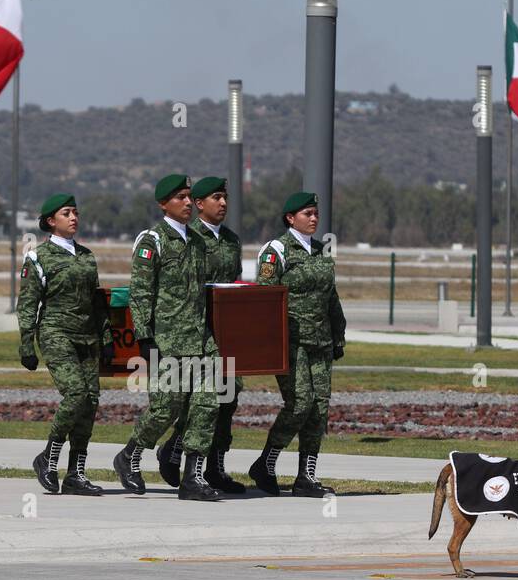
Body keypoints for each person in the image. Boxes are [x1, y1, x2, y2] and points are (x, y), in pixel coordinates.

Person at [112, 174, 222, 502]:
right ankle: (129, 455)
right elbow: (141, 293)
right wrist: (144, 338)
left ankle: (192, 478)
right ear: (164, 204)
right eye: (180, 197)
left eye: (190, 196)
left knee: (206, 405)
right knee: (164, 409)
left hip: (201, 340)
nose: (188, 202)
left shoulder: (199, 242)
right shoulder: (153, 240)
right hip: (167, 340)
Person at [249, 191, 346, 497]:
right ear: (290, 218)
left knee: (319, 408)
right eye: (307, 214)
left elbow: (331, 297)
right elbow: (264, 298)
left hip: (321, 341)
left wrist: (338, 334)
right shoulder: (276, 250)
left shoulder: (320, 251)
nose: (314, 218)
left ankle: (306, 476)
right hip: (291, 342)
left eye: (316, 213)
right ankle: (266, 462)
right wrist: (268, 341)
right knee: (300, 403)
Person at [17, 193, 113, 495]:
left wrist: (107, 338)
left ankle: (76, 473)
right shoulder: (38, 258)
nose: (74, 218)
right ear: (50, 221)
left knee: (90, 403)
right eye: (66, 213)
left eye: (75, 212)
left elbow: (96, 302)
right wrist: (26, 343)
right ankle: (48, 458)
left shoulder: (87, 256)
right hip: (56, 333)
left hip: (87, 337)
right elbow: (28, 302)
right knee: (75, 394)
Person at [155, 176, 246, 493]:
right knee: (199, 401)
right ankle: (176, 449)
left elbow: (234, 284)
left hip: (226, 333)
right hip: (193, 332)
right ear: (199, 203)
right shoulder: (190, 238)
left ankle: (215, 468)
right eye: (216, 197)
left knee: (228, 396)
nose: (223, 203)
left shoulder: (233, 241)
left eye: (225, 197)